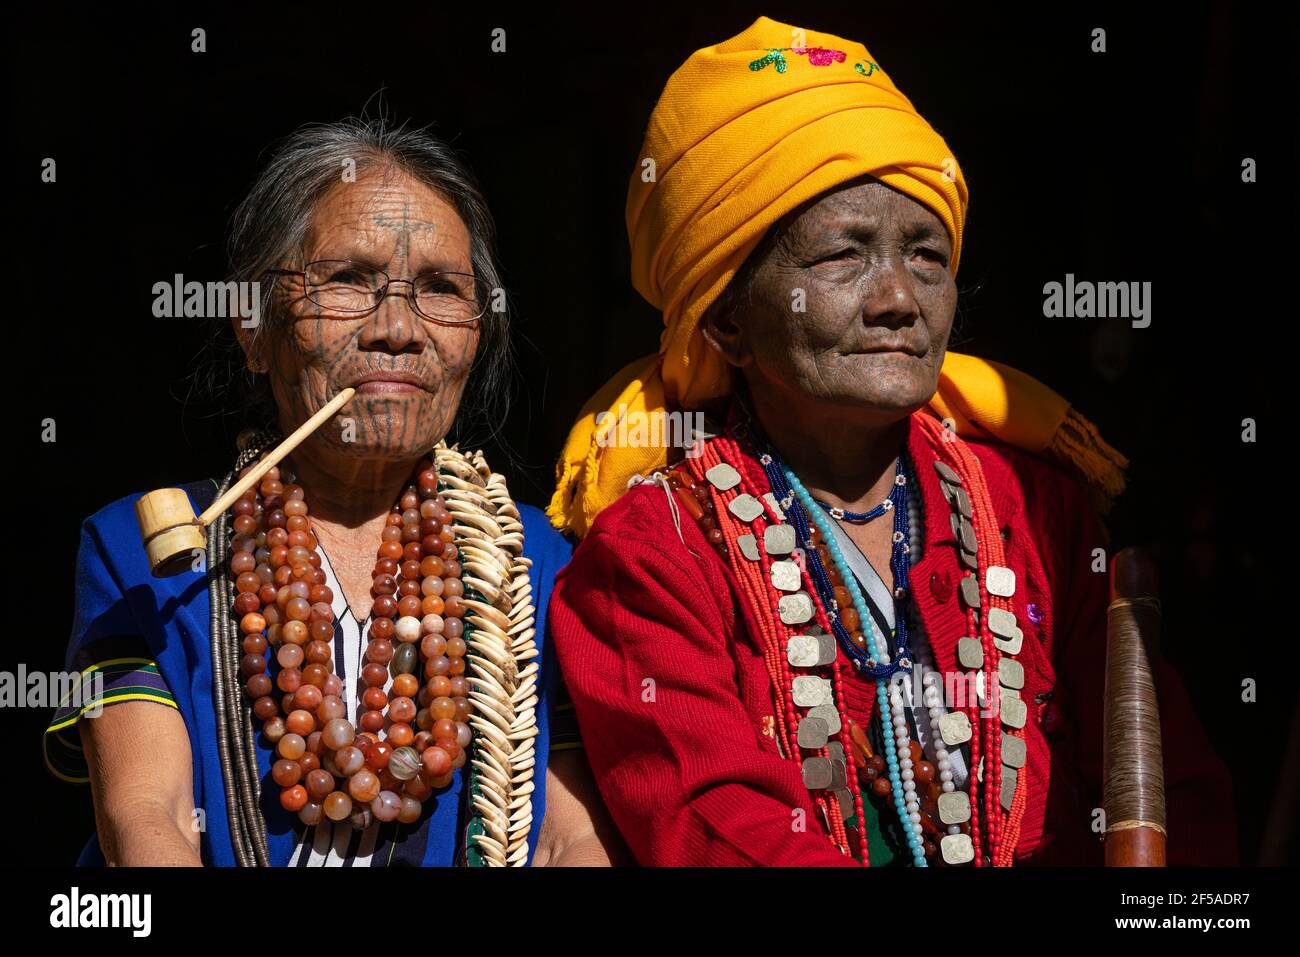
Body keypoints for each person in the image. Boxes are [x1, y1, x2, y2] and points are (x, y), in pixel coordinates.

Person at [546, 17, 1237, 866]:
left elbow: (1184, 799)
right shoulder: (654, 551)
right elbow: (712, 825)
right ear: (728, 320)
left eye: (927, 257)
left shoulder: (1038, 510)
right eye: (843, 257)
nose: (898, 300)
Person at [45, 118, 620, 867]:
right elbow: (149, 822)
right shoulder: (139, 555)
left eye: (441, 289)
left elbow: (570, 837)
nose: (397, 329)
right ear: (253, 329)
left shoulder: (537, 566)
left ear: (477, 338)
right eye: (348, 278)